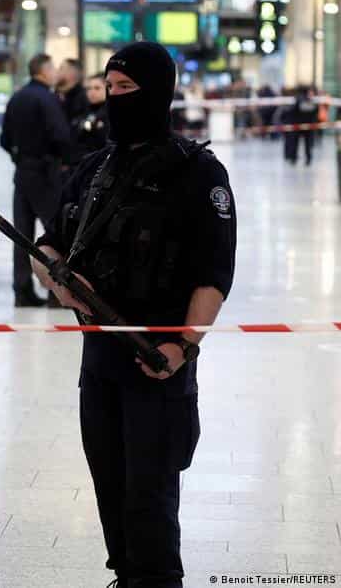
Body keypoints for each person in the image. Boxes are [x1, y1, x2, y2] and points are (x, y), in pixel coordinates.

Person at [33, 42, 236, 588]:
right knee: (109, 485)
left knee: (150, 495)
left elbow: (214, 273)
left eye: (126, 89)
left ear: (158, 93)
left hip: (159, 362)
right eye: (108, 87)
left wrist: (183, 346)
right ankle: (125, 574)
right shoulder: (94, 169)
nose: (113, 99)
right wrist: (61, 283)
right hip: (98, 360)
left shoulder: (199, 173)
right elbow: (48, 244)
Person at [0, 53, 70, 307]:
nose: (55, 73)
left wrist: (20, 157)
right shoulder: (47, 99)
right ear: (43, 70)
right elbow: (61, 134)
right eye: (52, 67)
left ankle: (22, 289)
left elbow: (4, 138)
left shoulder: (17, 97)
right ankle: (55, 292)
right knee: (54, 232)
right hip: (45, 172)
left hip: (23, 171)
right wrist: (62, 159)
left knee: (22, 234)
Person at [67, 73, 110, 166]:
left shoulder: (110, 113)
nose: (92, 92)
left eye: (97, 88)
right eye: (89, 89)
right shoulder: (84, 110)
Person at [284, 84, 316, 166]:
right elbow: (314, 111)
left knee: (295, 143)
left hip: (297, 125)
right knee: (307, 144)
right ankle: (308, 158)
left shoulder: (298, 99)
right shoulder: (310, 100)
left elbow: (292, 111)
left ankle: (294, 158)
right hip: (308, 125)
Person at [58, 58, 90, 123]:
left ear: (72, 73)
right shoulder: (56, 93)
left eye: (61, 68)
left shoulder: (83, 97)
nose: (57, 71)